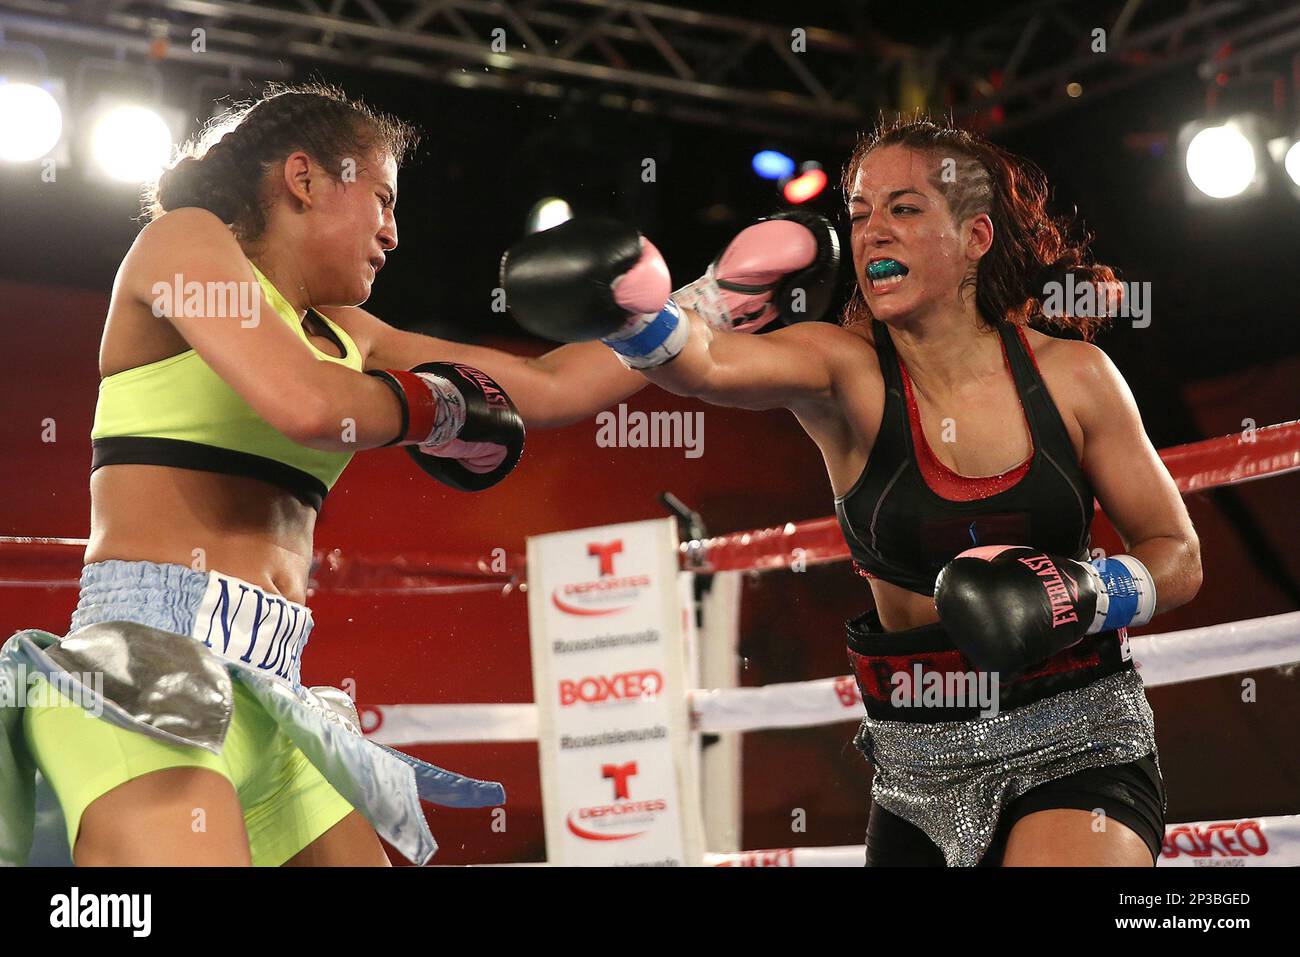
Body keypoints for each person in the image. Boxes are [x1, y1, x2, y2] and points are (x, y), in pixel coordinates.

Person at [501, 118, 1204, 866]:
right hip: (916, 769)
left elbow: (1179, 556)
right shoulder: (841, 370)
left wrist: (1087, 592)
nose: (873, 234)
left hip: (1078, 738)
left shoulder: (1074, 377)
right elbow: (705, 364)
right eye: (861, 213)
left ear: (975, 237)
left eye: (904, 209)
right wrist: (639, 314)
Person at [0, 82, 662, 868]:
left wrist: (698, 312)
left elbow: (553, 386)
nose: (393, 231)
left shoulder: (349, 334)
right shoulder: (183, 242)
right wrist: (442, 407)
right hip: (143, 673)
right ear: (304, 178)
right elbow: (307, 403)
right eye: (380, 199)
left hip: (273, 694)